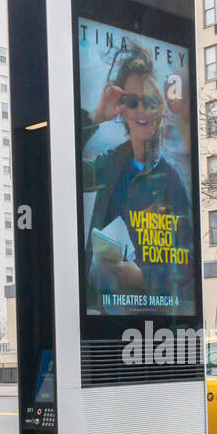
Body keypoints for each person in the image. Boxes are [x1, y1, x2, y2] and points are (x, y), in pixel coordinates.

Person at [79, 44, 193, 315]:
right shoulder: (110, 163)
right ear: (123, 111)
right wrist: (96, 117)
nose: (142, 110)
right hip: (105, 313)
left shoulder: (173, 177)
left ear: (160, 110)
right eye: (132, 102)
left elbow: (186, 268)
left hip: (150, 322)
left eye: (150, 101)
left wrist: (142, 278)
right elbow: (65, 169)